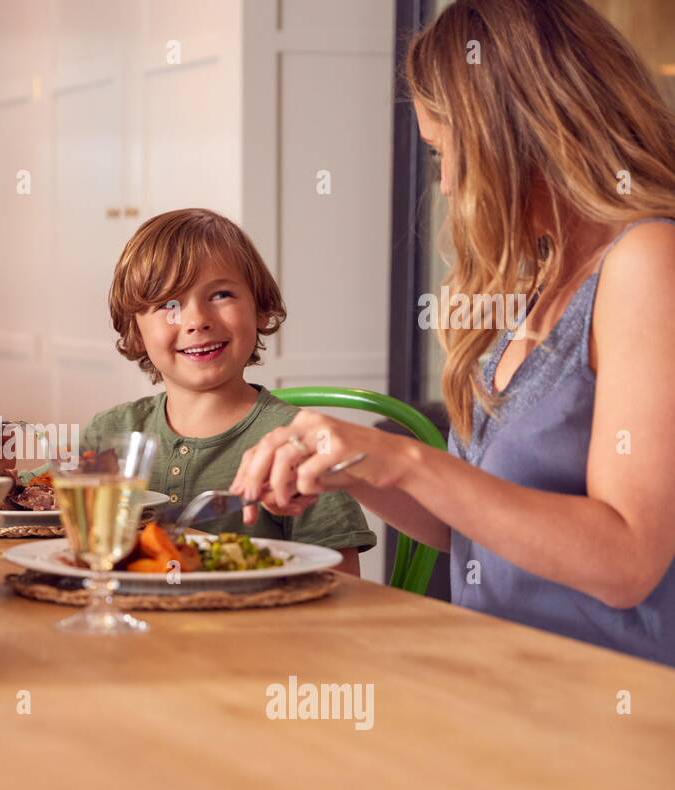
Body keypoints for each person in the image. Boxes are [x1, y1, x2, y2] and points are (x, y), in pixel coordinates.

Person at [231, 0, 675, 664]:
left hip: (610, 713)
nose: (443, 180)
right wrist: (349, 468)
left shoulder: (648, 260)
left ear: (515, 132)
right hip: (499, 677)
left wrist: (406, 458)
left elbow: (628, 559)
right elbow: (466, 526)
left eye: (445, 151)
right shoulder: (541, 274)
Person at [80, 208, 376, 574]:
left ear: (261, 309)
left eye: (220, 294)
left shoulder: (299, 444)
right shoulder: (110, 434)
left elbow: (341, 587)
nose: (196, 320)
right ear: (136, 331)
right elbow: (36, 512)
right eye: (168, 304)